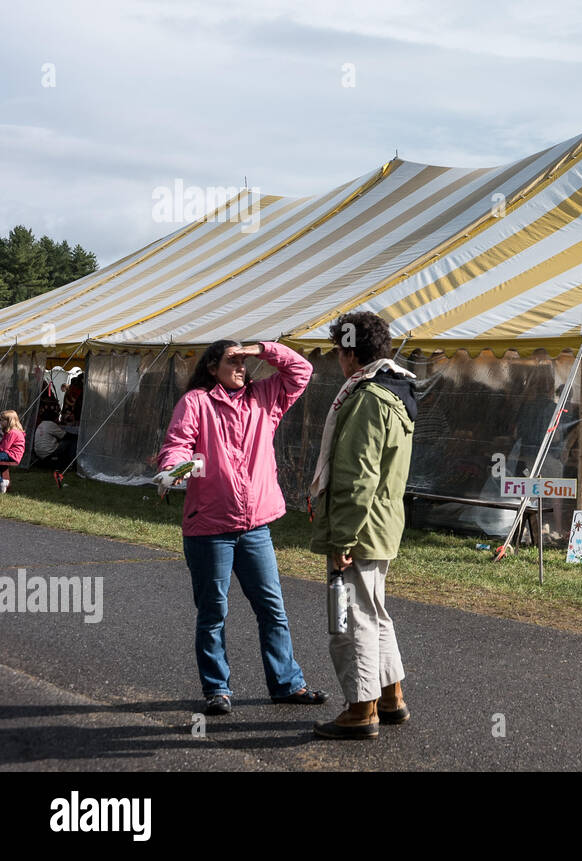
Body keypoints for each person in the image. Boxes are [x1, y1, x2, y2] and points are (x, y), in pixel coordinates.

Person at [158, 339, 326, 716]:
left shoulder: (266, 398)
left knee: (272, 609)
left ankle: (286, 684)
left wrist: (262, 348)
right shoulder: (196, 402)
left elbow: (302, 371)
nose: (241, 367)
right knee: (213, 611)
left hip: (255, 528)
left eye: (244, 361)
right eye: (231, 361)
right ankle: (217, 689)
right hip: (209, 527)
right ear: (212, 367)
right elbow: (178, 444)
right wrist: (175, 469)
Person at [310, 312, 417, 740]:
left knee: (352, 618)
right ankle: (390, 699)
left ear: (351, 353)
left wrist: (343, 537)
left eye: (338, 351)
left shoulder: (367, 396)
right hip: (383, 523)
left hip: (361, 528)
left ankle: (360, 711)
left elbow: (358, 475)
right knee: (374, 613)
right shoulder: (396, 390)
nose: (338, 359)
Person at [0, 409, 25, 493]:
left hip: (12, 455)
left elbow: (3, 448)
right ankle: (3, 482)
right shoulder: (11, 432)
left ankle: (2, 482)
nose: (1, 422)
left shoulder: (12, 433)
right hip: (9, 454)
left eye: (2, 420)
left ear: (9, 421)